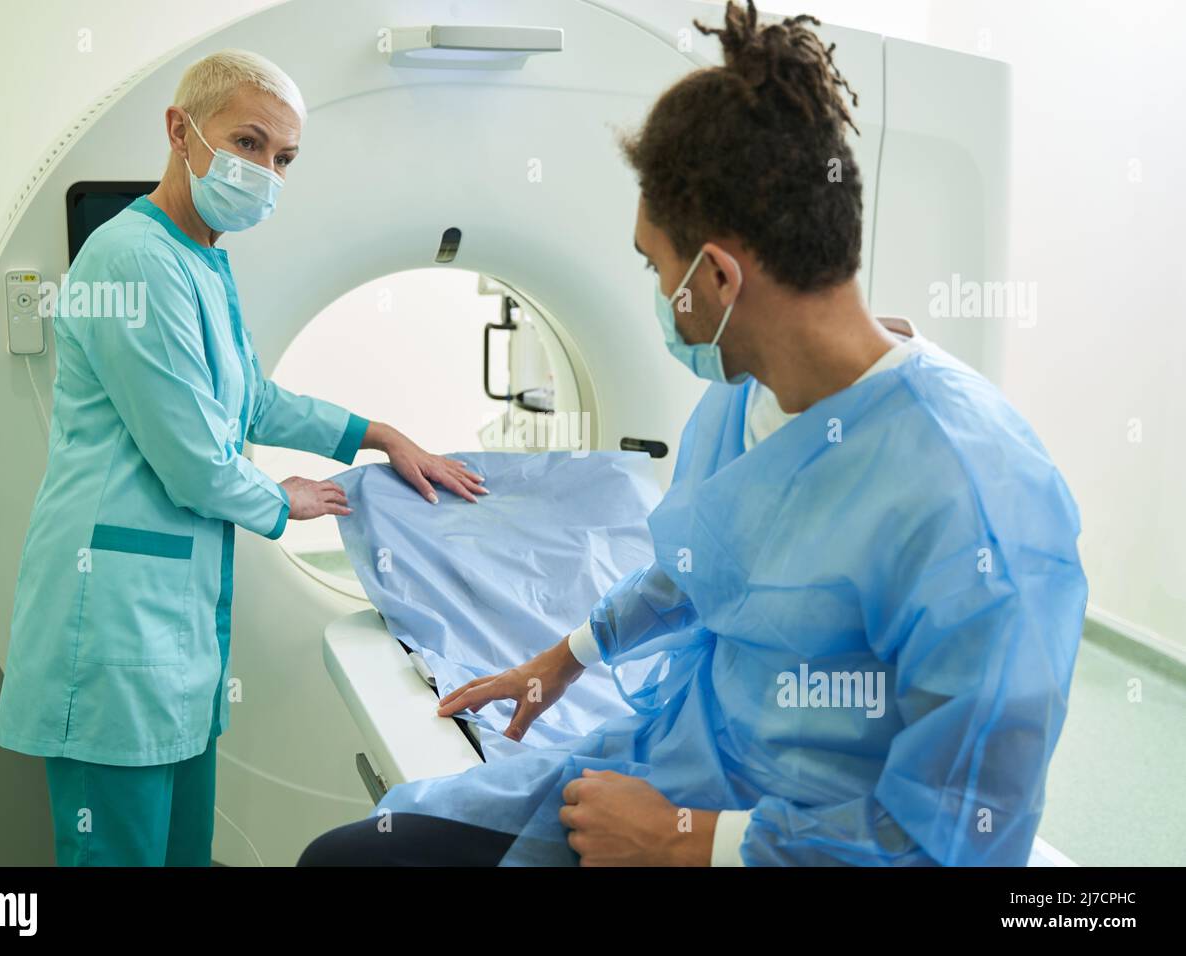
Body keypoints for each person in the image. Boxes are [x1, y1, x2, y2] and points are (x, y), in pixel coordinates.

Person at [298, 2, 1087, 867]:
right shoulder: (744, 395)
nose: (654, 287)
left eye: (652, 264)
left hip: (785, 839)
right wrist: (565, 658)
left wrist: (692, 843)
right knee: (348, 858)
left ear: (714, 275)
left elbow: (964, 837)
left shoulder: (974, 500)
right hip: (670, 760)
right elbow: (697, 565)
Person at [0, 49, 486, 866]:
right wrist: (284, 498)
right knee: (118, 854)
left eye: (284, 157)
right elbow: (192, 458)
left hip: (172, 626)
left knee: (181, 851)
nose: (265, 170)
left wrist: (379, 433)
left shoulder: (200, 257)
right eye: (249, 143)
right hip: (112, 617)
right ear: (180, 131)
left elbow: (250, 399)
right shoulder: (134, 261)